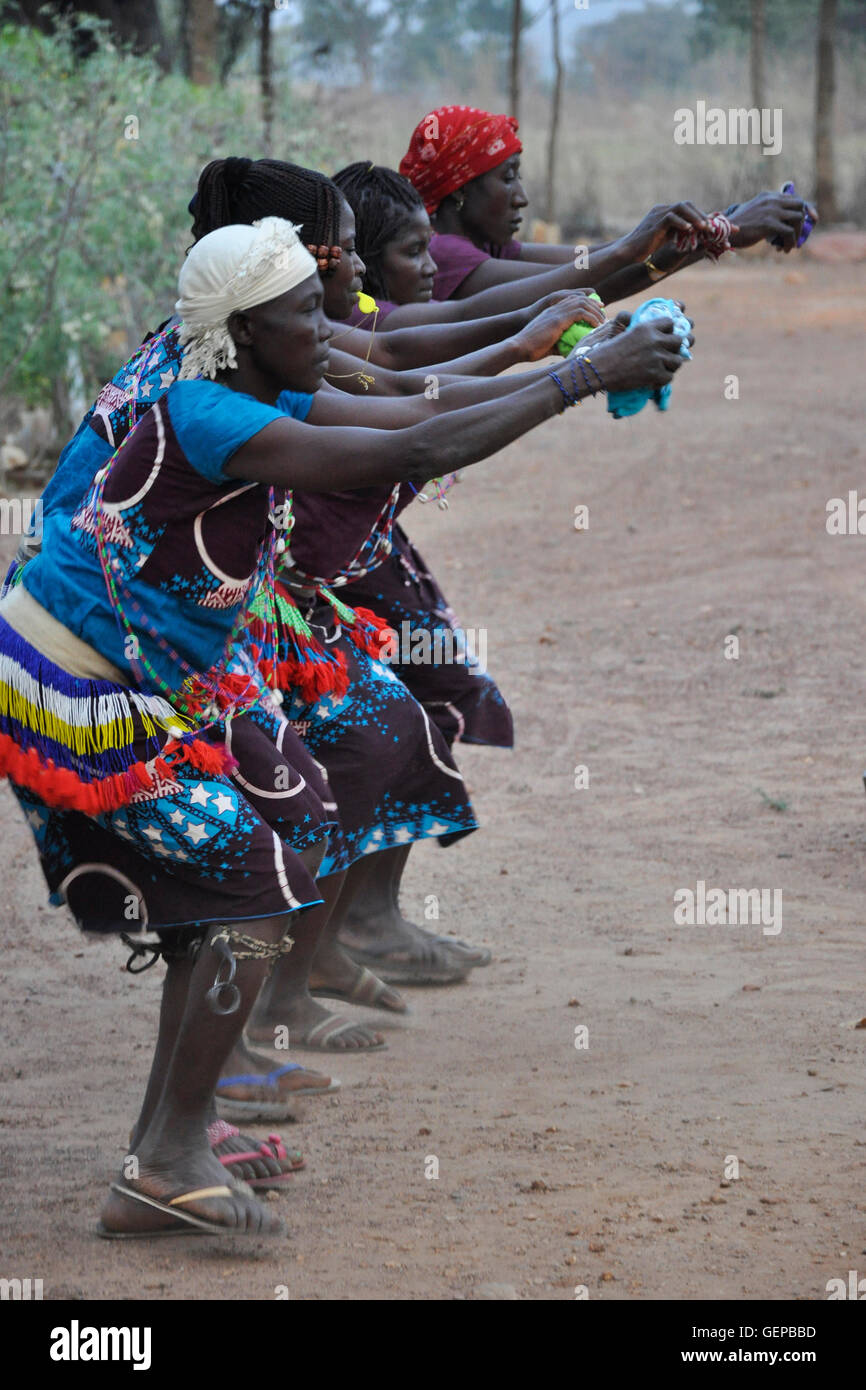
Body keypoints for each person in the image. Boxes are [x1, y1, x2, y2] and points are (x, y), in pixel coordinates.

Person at [395, 105, 818, 307]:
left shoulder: (483, 248)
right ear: (458, 191)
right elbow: (574, 286)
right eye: (507, 178)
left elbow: (586, 264)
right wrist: (717, 228)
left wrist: (722, 226)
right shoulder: (440, 254)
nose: (521, 196)